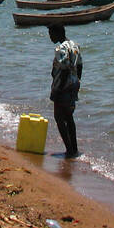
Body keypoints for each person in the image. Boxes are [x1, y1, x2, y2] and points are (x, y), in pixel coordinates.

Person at [47, 23, 82, 157]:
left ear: (58, 33)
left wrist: (59, 88)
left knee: (59, 117)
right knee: (69, 116)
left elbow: (64, 69)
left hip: (63, 85)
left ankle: (69, 150)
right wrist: (77, 81)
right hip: (73, 84)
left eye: (51, 34)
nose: (50, 37)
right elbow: (79, 66)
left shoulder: (61, 48)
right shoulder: (75, 45)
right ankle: (74, 149)